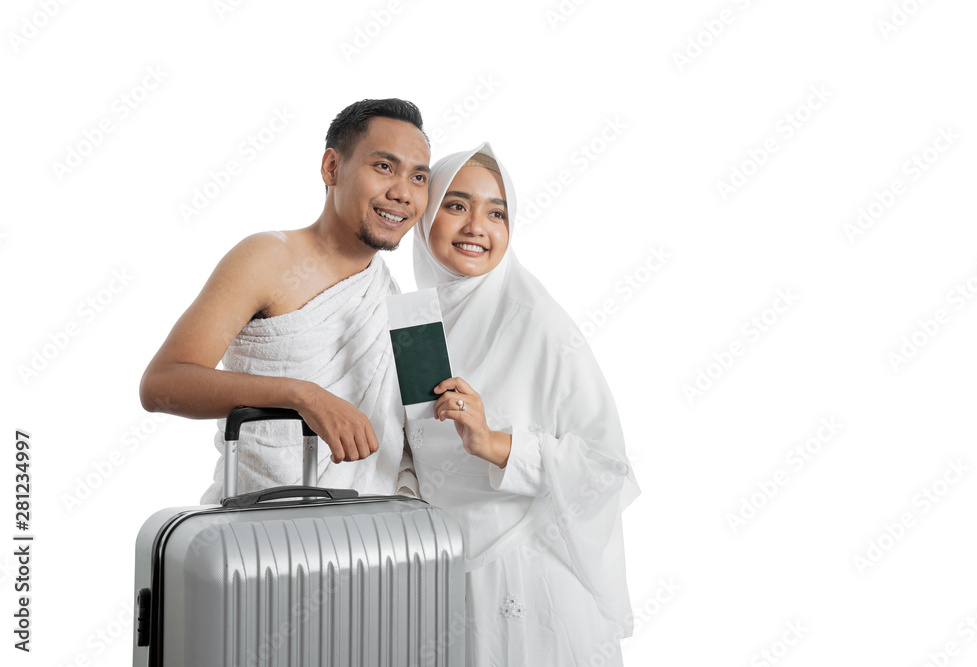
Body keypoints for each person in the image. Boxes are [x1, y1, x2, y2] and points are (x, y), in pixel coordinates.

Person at [403, 142, 639, 665]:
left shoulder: (538, 321)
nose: (476, 227)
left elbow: (608, 468)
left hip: (526, 577)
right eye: (456, 205)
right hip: (440, 574)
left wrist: (494, 444)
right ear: (425, 216)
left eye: (496, 212)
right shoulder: (410, 322)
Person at [138, 98, 431, 502]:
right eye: (384, 167)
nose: (402, 193)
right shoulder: (266, 258)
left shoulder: (396, 299)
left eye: (419, 178)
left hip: (367, 540)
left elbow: (424, 437)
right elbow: (162, 384)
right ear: (332, 167)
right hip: (258, 537)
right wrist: (302, 395)